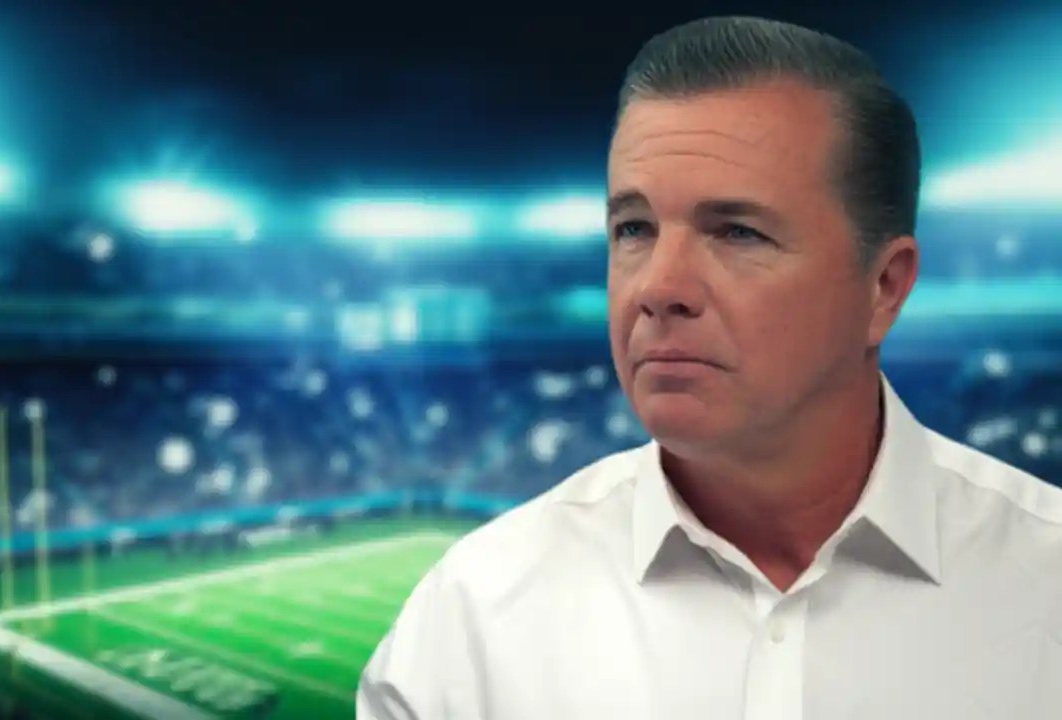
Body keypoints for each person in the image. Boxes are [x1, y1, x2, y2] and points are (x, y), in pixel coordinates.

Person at [357, 15, 1062, 720]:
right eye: (633, 228)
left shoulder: (1044, 586)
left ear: (883, 288)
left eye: (737, 232)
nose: (658, 288)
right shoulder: (472, 621)